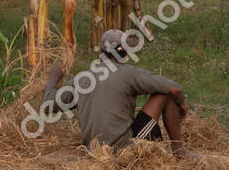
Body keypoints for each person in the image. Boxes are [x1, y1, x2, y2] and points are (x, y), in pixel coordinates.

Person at [40, 30, 193, 158]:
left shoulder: (82, 79)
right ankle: (180, 152)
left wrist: (54, 77)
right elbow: (175, 89)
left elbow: (47, 106)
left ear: (100, 52)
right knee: (165, 94)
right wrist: (181, 104)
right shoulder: (129, 73)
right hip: (124, 151)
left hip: (94, 152)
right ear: (126, 52)